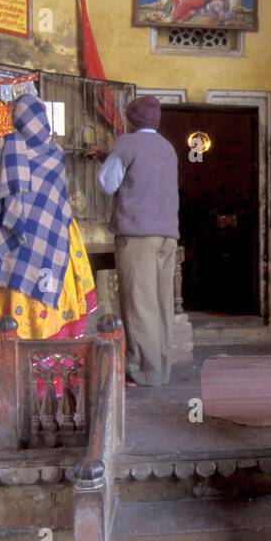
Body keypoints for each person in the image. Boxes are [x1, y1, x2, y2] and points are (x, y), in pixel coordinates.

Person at [0, 93, 97, 340]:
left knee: (15, 306)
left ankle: (14, 365)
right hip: (53, 239)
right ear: (43, 119)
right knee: (49, 308)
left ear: (17, 118)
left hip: (14, 242)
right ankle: (51, 367)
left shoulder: (5, 145)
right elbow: (58, 200)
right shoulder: (55, 151)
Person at [98, 95, 179, 386]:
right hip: (168, 235)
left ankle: (145, 371)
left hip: (137, 235)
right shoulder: (168, 148)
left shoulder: (127, 143)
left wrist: (108, 157)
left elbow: (107, 183)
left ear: (131, 120)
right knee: (160, 302)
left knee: (139, 303)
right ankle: (162, 368)